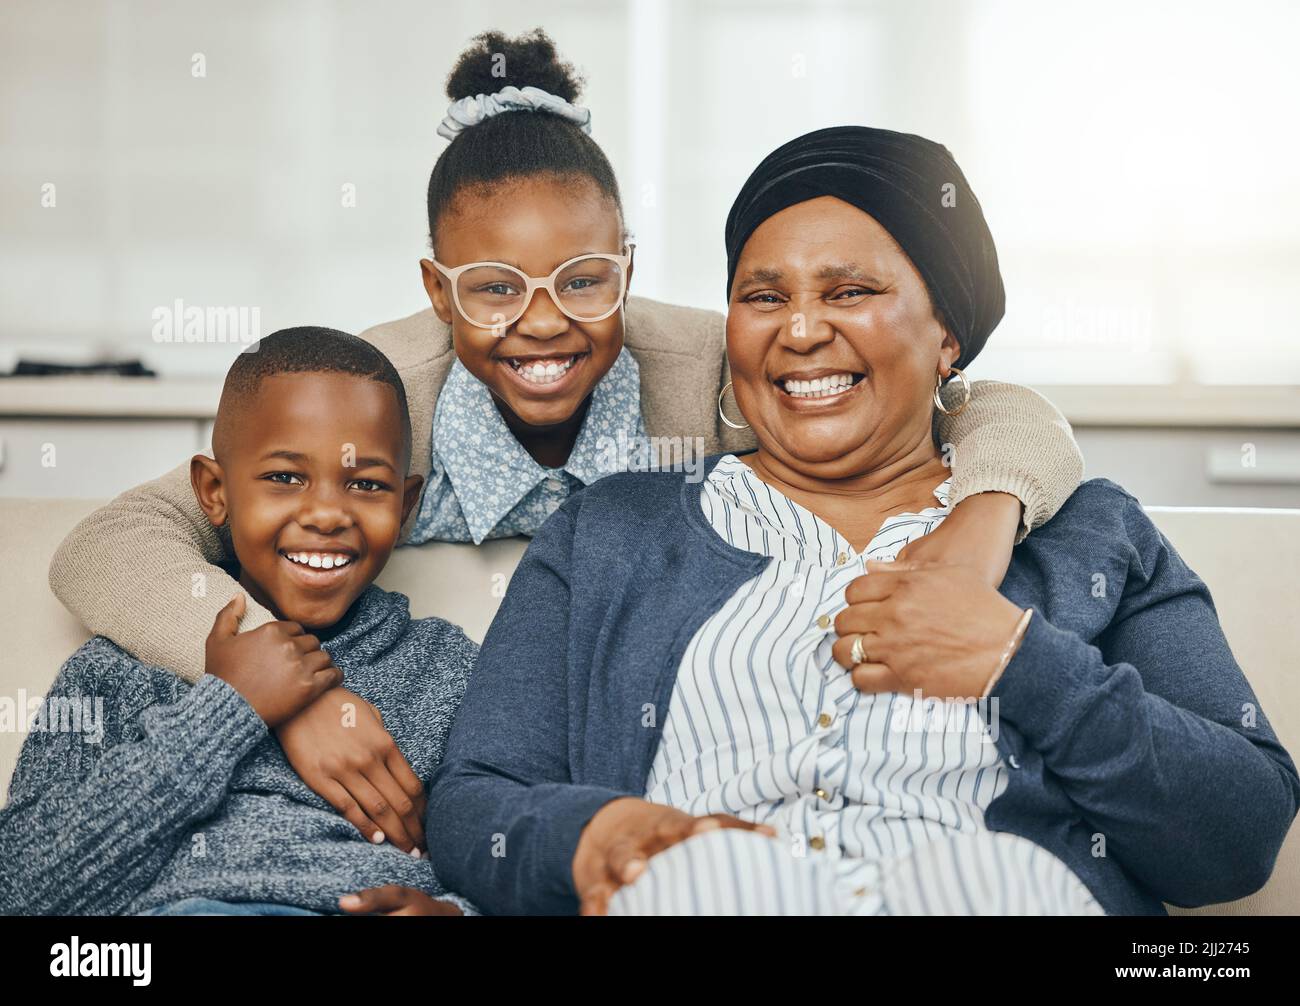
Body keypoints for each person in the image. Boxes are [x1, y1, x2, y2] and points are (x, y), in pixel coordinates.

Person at [46, 29, 1080, 848]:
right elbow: (110, 541)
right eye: (492, 290)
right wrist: (284, 692)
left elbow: (987, 405)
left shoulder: (714, 365)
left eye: (582, 281)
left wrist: (986, 517)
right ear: (436, 290)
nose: (540, 321)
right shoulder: (372, 398)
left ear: (624, 268)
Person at [426, 126, 1300, 916]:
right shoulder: (611, 529)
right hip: (710, 899)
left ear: (947, 334)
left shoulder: (1086, 529)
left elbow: (1241, 832)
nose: (802, 330)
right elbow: (477, 798)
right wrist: (598, 834)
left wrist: (1021, 664)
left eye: (850, 291)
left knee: (986, 882)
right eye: (764, 298)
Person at [1, 329, 474, 916]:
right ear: (214, 491)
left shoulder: (447, 671)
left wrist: (456, 913)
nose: (327, 514)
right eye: (285, 477)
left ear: (404, 508)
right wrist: (227, 709)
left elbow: (506, 858)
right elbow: (20, 889)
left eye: (365, 484)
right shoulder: (117, 673)